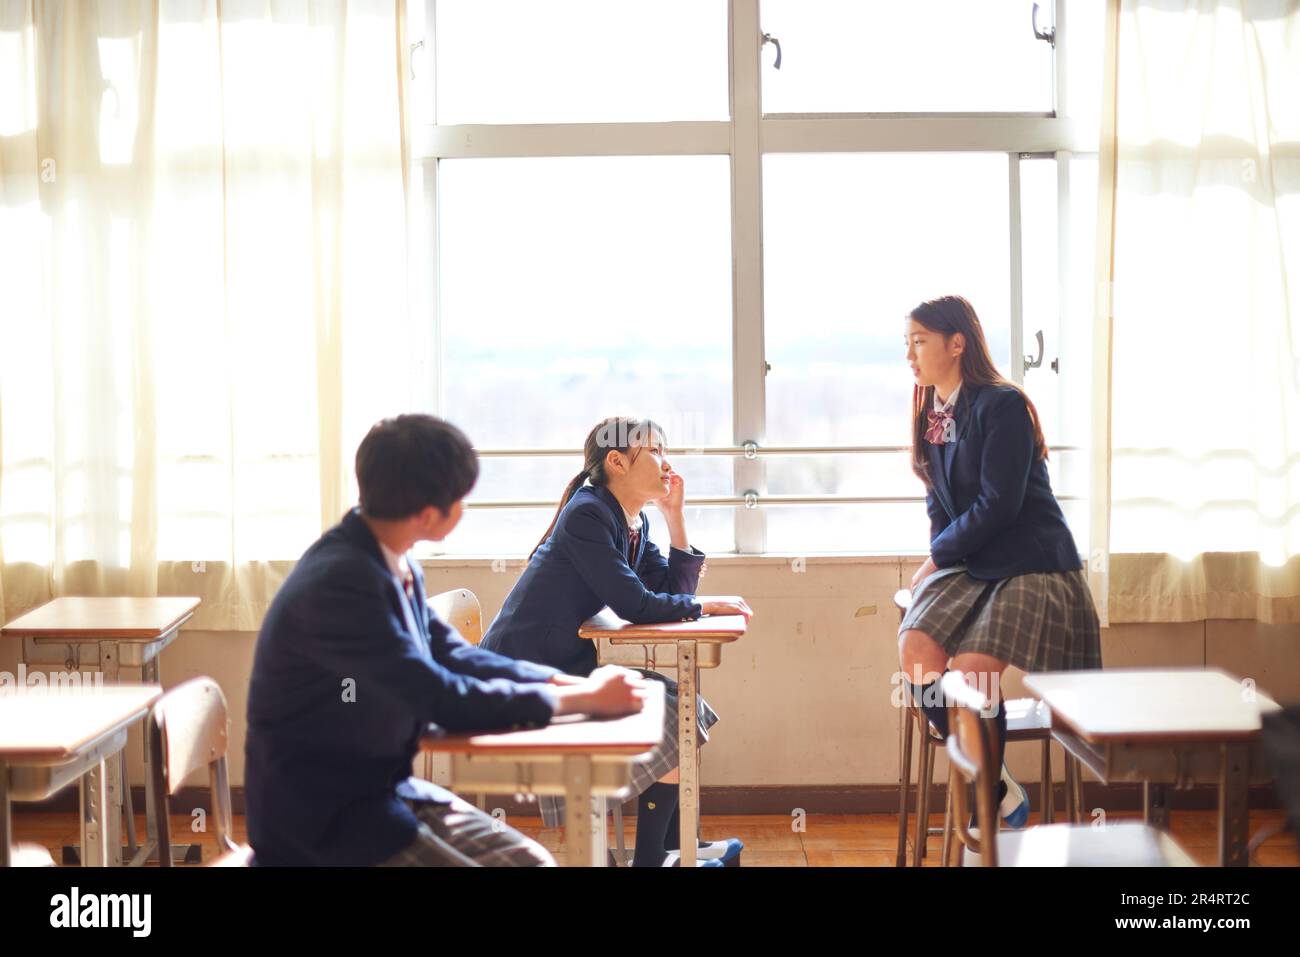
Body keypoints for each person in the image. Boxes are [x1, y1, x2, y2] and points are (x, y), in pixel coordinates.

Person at [245, 413, 647, 866]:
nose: (463, 509)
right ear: (429, 513)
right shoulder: (343, 582)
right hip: (321, 819)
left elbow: (456, 656)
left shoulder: (390, 557)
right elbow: (437, 696)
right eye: (460, 499)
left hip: (380, 791)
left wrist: (567, 685)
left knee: (531, 862)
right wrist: (581, 702)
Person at [481, 416, 753, 866]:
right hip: (524, 676)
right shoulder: (588, 514)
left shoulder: (632, 520)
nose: (668, 464)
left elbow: (670, 592)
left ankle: (666, 850)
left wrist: (675, 518)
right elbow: (636, 605)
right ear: (617, 461)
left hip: (563, 667)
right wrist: (707, 607)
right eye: (656, 451)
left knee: (676, 702)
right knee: (668, 710)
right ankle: (657, 855)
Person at [897, 295, 1101, 832]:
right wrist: (939, 558)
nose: (911, 355)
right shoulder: (934, 414)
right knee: (916, 651)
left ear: (956, 342)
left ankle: (988, 811)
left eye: (919, 341)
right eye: (907, 344)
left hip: (1031, 561)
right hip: (976, 561)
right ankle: (995, 782)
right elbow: (939, 499)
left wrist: (937, 557)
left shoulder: (1001, 404)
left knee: (970, 675)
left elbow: (999, 504)